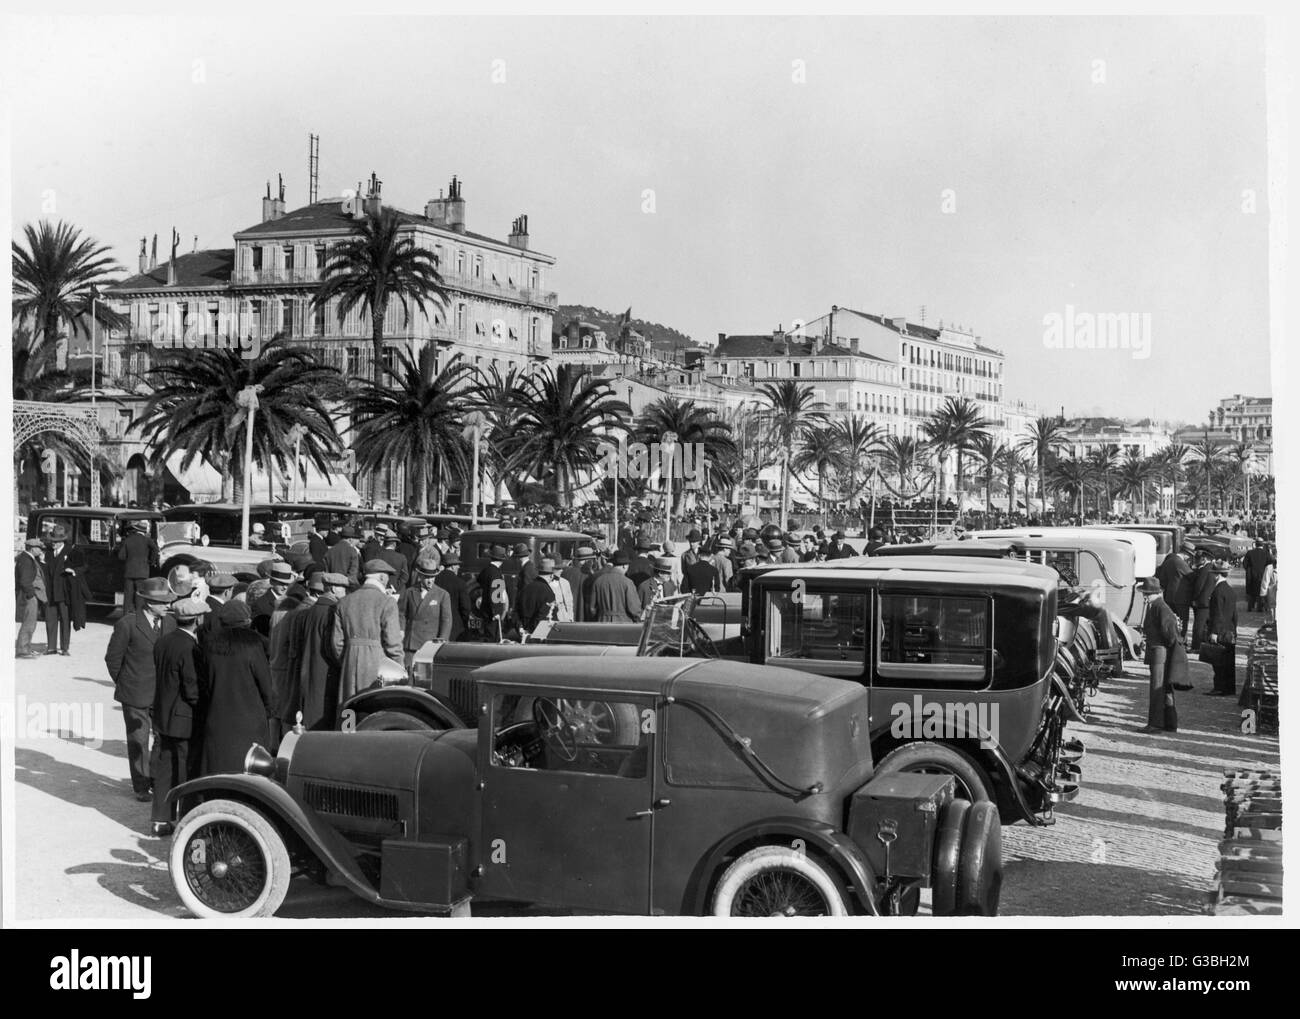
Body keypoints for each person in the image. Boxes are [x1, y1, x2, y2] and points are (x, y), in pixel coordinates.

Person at [104, 577, 177, 800]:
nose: (168, 605)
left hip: (162, 693)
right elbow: (113, 659)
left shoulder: (170, 623)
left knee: (162, 738)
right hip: (135, 693)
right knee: (139, 740)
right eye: (163, 602)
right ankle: (141, 785)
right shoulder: (127, 624)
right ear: (147, 602)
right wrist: (126, 682)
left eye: (168, 601)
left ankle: (155, 779)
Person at [150, 598, 209, 835]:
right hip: (184, 718)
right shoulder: (191, 648)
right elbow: (191, 687)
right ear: (196, 620)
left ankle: (160, 819)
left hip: (163, 714)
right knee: (186, 771)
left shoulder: (163, 642)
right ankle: (185, 819)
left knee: (164, 768)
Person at [197, 600, 273, 776]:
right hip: (250, 720)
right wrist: (269, 710)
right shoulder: (253, 645)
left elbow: (204, 684)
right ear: (247, 621)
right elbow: (266, 684)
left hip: (218, 718)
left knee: (218, 770)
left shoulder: (209, 646)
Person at [331, 559, 404, 706]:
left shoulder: (344, 602)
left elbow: (337, 643)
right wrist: (399, 668)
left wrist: (348, 659)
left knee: (349, 707)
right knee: (373, 708)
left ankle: (348, 727)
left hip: (349, 662)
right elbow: (393, 643)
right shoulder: (387, 602)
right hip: (377, 663)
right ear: (382, 578)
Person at [298, 573, 348, 729]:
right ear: (333, 589)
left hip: (308, 670)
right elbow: (332, 647)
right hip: (326, 672)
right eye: (343, 588)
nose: (345, 593)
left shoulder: (309, 611)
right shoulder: (331, 612)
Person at [43, 525, 88, 656]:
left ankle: (64, 648)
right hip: (50, 592)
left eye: (55, 542)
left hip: (64, 592)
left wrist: (74, 571)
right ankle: (51, 648)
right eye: (52, 541)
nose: (53, 544)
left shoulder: (71, 551)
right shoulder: (48, 552)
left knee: (65, 619)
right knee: (50, 619)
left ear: (62, 541)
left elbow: (84, 566)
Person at [399, 559, 453, 668]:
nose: (430, 581)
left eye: (432, 577)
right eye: (427, 577)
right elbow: (401, 613)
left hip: (430, 644)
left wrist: (442, 641)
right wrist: (401, 630)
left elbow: (446, 620)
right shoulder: (409, 592)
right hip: (411, 643)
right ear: (420, 576)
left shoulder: (442, 594)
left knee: (426, 677)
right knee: (409, 675)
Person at [1204, 561, 1239, 696]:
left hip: (1220, 631)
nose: (1212, 577)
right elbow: (1234, 614)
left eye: (1213, 574)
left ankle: (1219, 687)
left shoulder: (1218, 591)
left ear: (1217, 575)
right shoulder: (1230, 590)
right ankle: (1229, 688)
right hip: (1230, 630)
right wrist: (1235, 630)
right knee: (1229, 662)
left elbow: (1217, 614)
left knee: (1218, 662)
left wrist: (1214, 633)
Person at [118, 519, 159, 614]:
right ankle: (139, 615)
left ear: (135, 530)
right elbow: (155, 550)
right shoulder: (147, 540)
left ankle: (126, 616)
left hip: (129, 571)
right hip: (143, 571)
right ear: (144, 531)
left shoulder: (127, 540)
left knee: (128, 595)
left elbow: (121, 556)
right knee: (140, 595)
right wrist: (151, 562)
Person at [590, 550, 641, 622]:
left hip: (602, 623)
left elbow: (592, 609)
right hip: (623, 623)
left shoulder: (599, 581)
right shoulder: (627, 582)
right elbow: (634, 608)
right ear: (624, 566)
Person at [1156, 543, 1194, 638]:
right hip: (1181, 598)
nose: (1188, 558)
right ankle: (1180, 640)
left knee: (1171, 620)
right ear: (1186, 554)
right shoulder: (1179, 562)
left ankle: (1170, 638)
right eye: (1189, 556)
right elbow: (1192, 576)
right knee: (1182, 621)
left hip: (1169, 596)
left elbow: (1162, 578)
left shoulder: (1168, 561)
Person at [15, 538, 44, 658]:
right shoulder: (27, 560)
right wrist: (31, 594)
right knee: (29, 623)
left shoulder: (27, 558)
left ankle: (26, 647)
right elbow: (25, 580)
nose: (41, 550)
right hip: (29, 596)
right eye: (39, 548)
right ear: (32, 549)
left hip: (28, 595)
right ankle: (22, 650)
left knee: (30, 622)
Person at [434, 552, 472, 640]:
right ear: (452, 566)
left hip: (435, 624)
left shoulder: (435, 580)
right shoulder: (460, 583)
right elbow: (466, 607)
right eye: (457, 565)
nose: (458, 567)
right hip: (455, 626)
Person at [477, 544, 510, 642]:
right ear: (502, 560)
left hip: (485, 608)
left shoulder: (486, 570)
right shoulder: (496, 573)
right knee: (494, 637)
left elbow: (479, 580)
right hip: (493, 612)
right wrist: (496, 611)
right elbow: (495, 594)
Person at [516, 557, 559, 634]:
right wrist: (531, 631)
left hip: (522, 633)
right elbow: (545, 618)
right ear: (551, 576)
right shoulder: (548, 592)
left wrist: (521, 628)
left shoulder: (526, 588)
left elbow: (516, 611)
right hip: (538, 635)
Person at [1188, 552, 1217, 652]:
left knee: (1198, 626)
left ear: (1204, 559)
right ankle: (1203, 644)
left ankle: (1196, 646)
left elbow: (1199, 586)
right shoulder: (1210, 567)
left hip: (1202, 602)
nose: (1196, 560)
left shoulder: (1205, 569)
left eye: (1198, 558)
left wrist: (1194, 599)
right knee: (1204, 625)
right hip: (1207, 601)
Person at [1242, 539, 1271, 612]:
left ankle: (1250, 607)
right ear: (1262, 544)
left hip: (1251, 575)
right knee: (1260, 591)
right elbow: (1269, 564)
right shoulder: (1266, 553)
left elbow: (1245, 564)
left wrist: (1249, 571)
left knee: (1251, 592)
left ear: (1256, 544)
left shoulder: (1250, 553)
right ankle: (1260, 608)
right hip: (1262, 574)